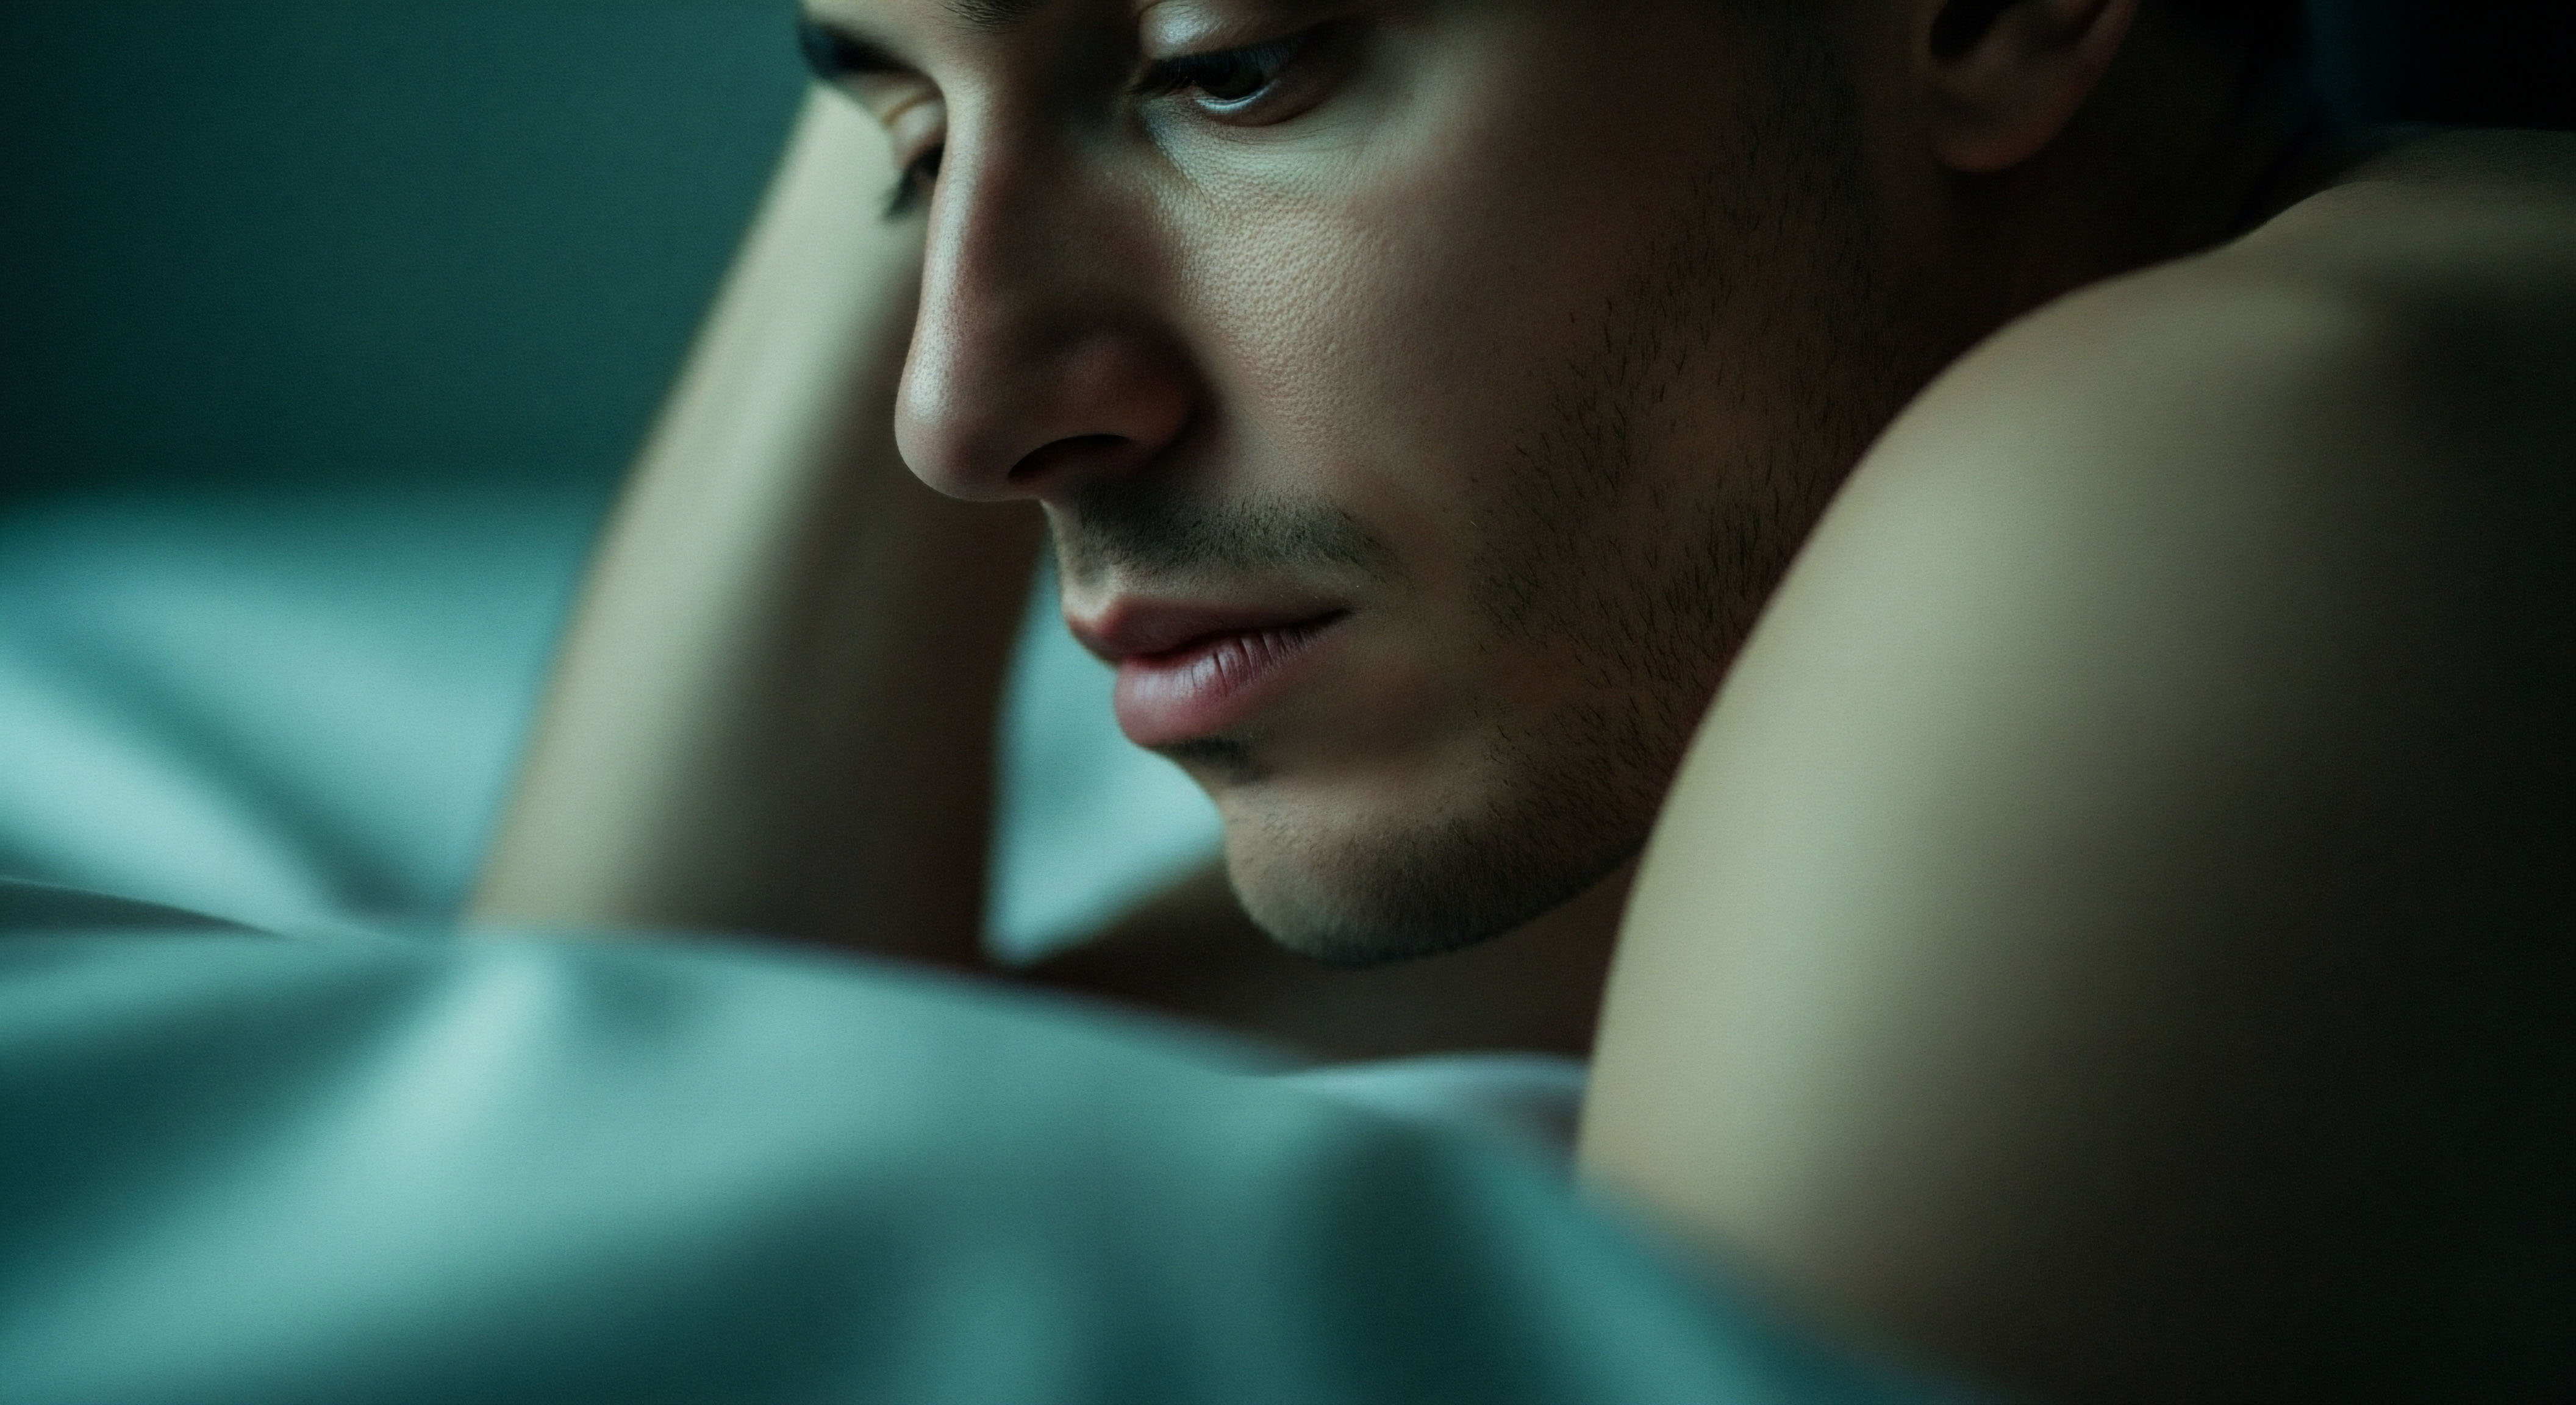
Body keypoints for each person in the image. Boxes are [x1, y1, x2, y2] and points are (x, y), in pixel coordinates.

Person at [467, 0, 2575, 1395]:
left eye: (1239, 67)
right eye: (905, 154)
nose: (952, 405)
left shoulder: (2252, 454)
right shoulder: (1714, 646)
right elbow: (643, 1168)